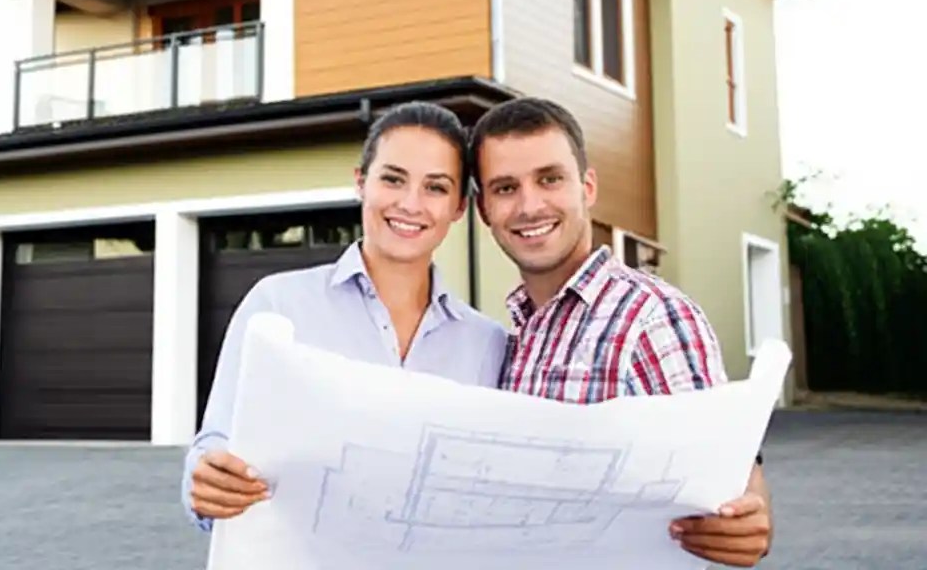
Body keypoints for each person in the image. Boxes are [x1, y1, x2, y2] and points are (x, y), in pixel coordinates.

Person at [469, 96, 774, 568]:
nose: (530, 205)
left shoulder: (651, 317)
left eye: (550, 179)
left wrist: (747, 508)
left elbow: (723, 471)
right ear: (483, 208)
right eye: (505, 187)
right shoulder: (516, 334)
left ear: (587, 186)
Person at [182, 101, 509, 529]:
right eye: (393, 179)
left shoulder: (488, 344)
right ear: (361, 183)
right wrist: (207, 480)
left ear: (459, 207)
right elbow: (217, 443)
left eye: (436, 187)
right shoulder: (278, 306)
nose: (411, 203)